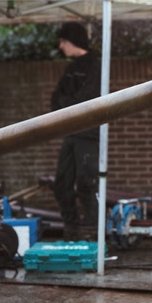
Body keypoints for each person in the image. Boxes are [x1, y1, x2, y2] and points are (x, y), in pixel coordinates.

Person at [51, 22, 101, 241]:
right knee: (61, 183)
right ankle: (71, 227)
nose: (61, 47)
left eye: (63, 41)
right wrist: (70, 105)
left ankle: (92, 229)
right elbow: (56, 99)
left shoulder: (95, 67)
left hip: (87, 134)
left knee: (86, 182)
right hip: (71, 132)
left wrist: (67, 105)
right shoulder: (71, 69)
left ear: (73, 41)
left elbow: (87, 100)